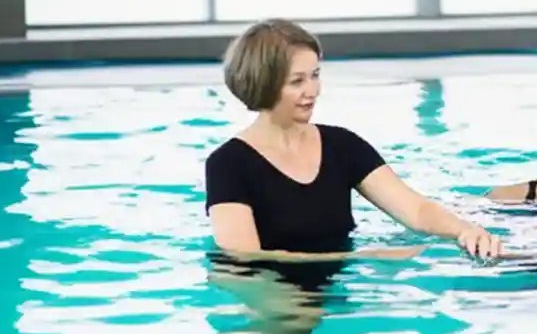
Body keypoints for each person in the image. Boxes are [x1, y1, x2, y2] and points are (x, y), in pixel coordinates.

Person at [204, 18, 503, 264]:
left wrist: (466, 231)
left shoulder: (341, 145)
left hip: (340, 278)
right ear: (263, 84)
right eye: (298, 81)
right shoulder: (228, 164)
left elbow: (416, 210)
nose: (313, 90)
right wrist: (362, 257)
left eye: (315, 75)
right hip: (272, 287)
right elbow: (244, 259)